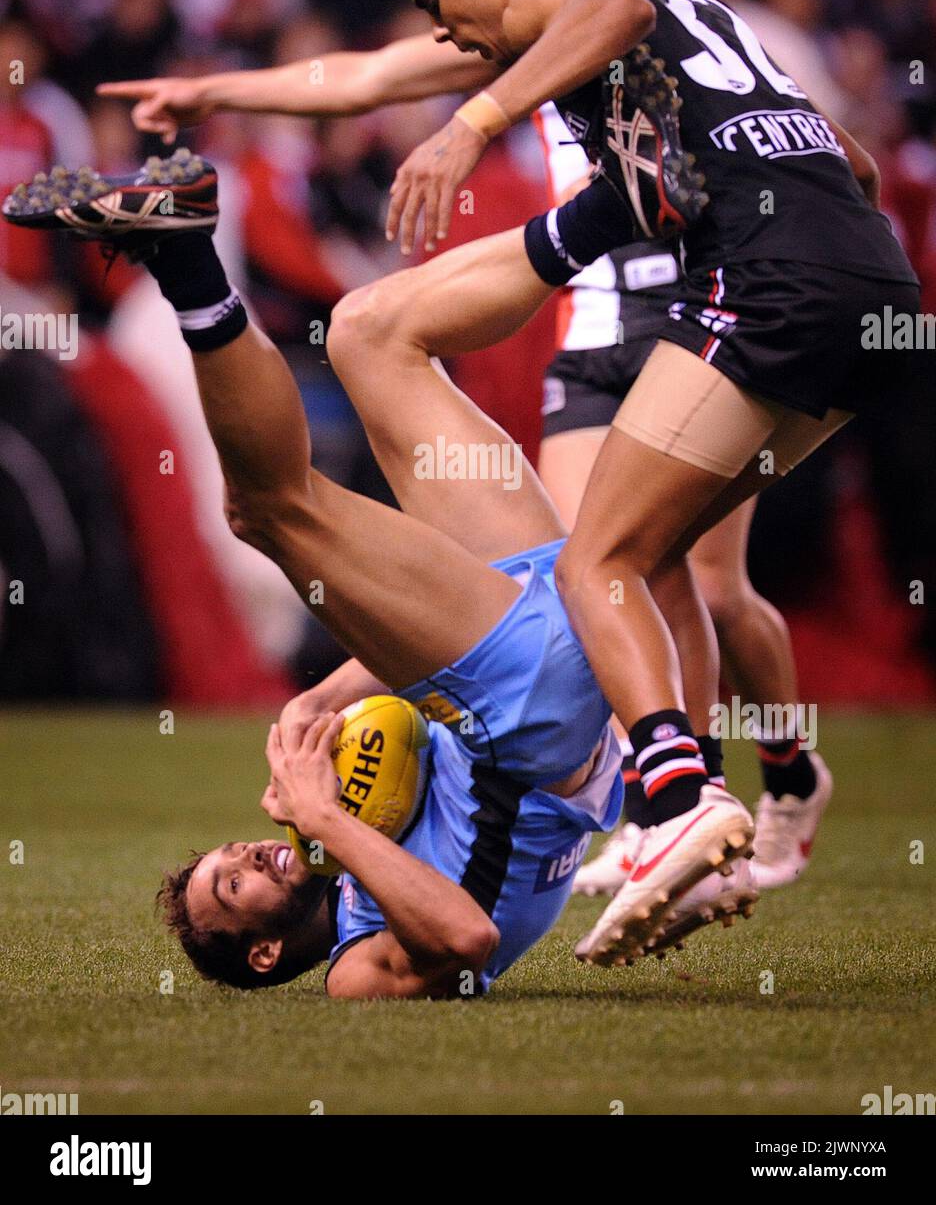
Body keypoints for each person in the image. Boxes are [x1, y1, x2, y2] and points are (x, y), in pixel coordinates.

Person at [93, 0, 827, 904]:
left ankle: (770, 773)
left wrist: (474, 126)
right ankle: (659, 812)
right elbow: (360, 74)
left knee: (703, 583)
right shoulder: (514, 25)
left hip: (706, 307)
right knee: (586, 576)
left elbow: (685, 58)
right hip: (595, 327)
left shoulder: (645, 7)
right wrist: (214, 94)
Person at [325, 0, 917, 963]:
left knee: (595, 558)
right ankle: (713, 812)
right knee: (659, 559)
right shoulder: (707, 16)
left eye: (437, 4)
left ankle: (674, 806)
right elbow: (855, 162)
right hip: (872, 287)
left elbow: (604, 1)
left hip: (773, 284)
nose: (447, 33)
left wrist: (475, 123)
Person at [3, 155, 755, 990]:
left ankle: (611, 212)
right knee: (264, 511)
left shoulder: (358, 845)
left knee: (372, 335)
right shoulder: (355, 966)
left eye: (229, 858)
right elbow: (467, 938)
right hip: (528, 708)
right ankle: (186, 263)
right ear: (262, 952)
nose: (249, 857)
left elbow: (427, 673)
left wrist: (324, 697)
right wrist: (323, 817)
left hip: (545, 637)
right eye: (234, 884)